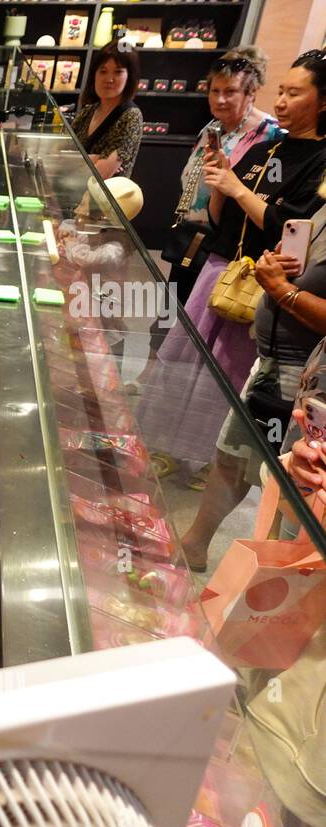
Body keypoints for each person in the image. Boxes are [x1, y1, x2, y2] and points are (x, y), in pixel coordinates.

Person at [137, 51, 326, 493]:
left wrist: (236, 188)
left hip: (263, 285)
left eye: (294, 93)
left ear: (322, 101)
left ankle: (207, 462)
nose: (281, 101)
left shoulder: (319, 161)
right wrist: (220, 180)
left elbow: (289, 228)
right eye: (281, 90)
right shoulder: (265, 149)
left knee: (226, 377)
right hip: (219, 270)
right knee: (184, 364)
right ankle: (165, 446)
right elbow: (224, 218)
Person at [179, 189, 326, 570]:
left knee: (290, 487)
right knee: (233, 456)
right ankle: (195, 544)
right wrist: (278, 271)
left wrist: (280, 289)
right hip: (271, 365)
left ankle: (269, 585)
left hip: (311, 385)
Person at [165, 48, 279, 310]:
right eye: (215, 91)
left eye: (230, 92)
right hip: (193, 236)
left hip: (229, 248)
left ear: (251, 93)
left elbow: (268, 193)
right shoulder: (212, 127)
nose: (220, 99)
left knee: (204, 314)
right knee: (170, 312)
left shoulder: (270, 134)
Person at [70, 42, 144, 180]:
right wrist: (92, 159)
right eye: (103, 71)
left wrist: (76, 160)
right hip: (73, 193)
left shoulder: (131, 117)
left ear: (130, 77)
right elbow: (61, 155)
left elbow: (100, 174)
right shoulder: (88, 111)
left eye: (118, 72)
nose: (109, 79)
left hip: (102, 199)